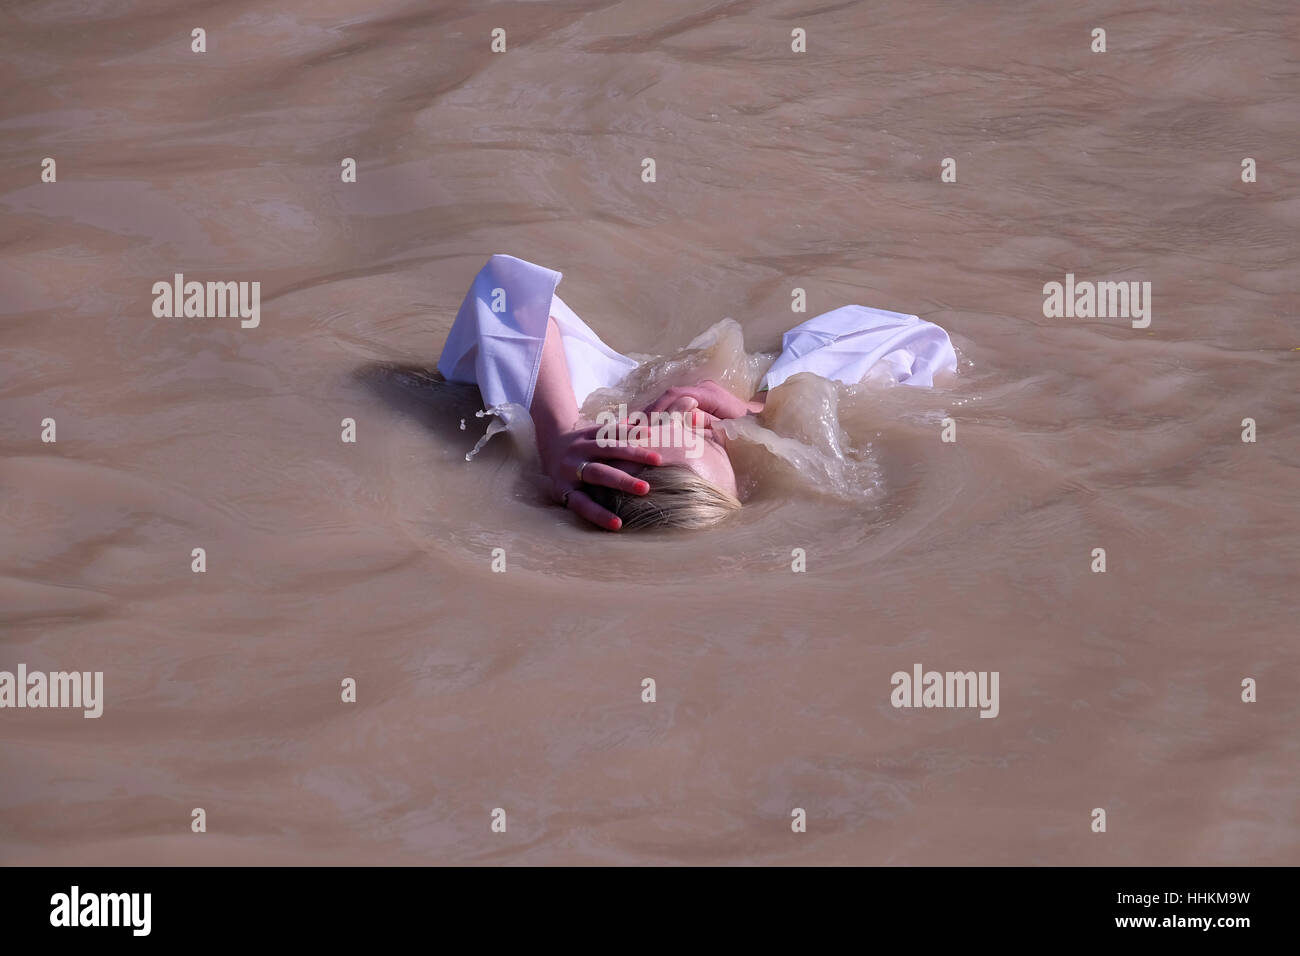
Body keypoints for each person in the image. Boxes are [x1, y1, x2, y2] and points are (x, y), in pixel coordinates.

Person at [438, 254, 957, 531]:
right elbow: (919, 346)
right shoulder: (761, 425)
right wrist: (762, 411)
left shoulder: (567, 416)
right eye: (714, 437)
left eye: (652, 428)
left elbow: (503, 288)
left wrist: (551, 436)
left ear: (608, 440)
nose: (688, 408)